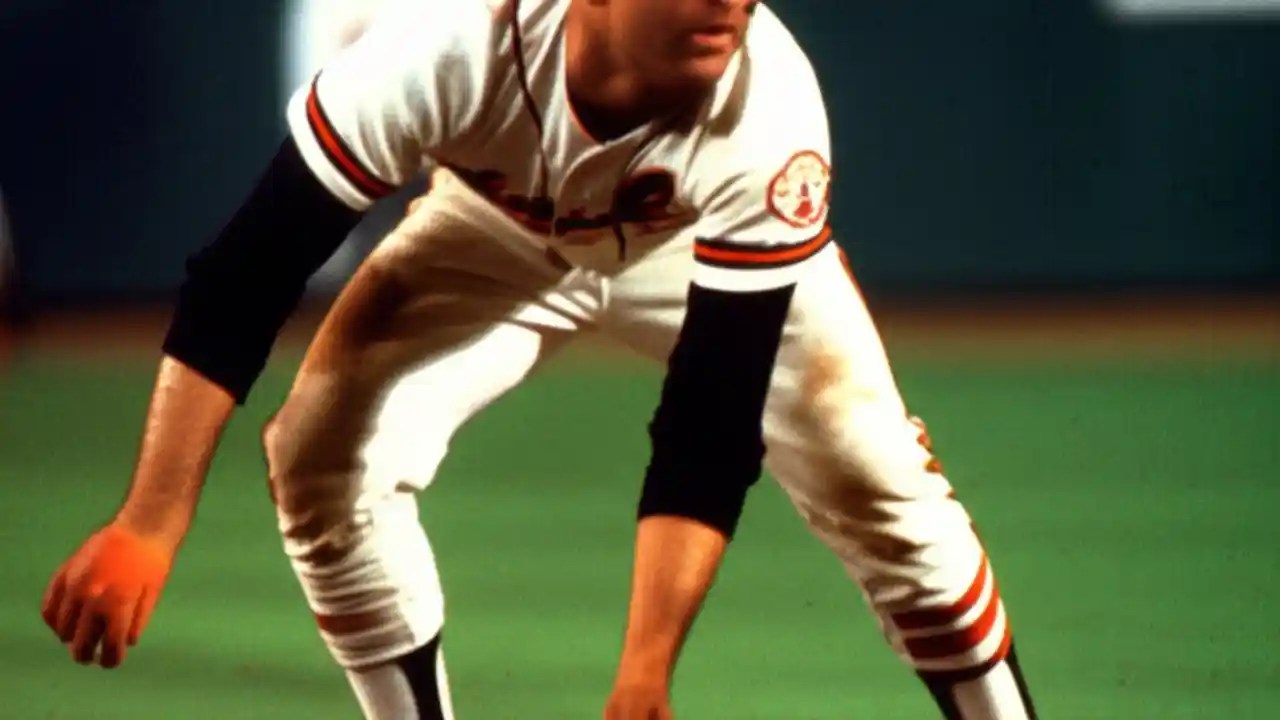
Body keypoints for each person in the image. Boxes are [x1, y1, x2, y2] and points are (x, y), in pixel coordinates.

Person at [40, 1, 1038, 718]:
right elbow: (243, 278)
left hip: (698, 241)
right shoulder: (443, 43)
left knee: (885, 490)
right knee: (318, 453)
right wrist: (151, 520)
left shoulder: (766, 107)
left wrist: (643, 678)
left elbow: (708, 423)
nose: (728, 3)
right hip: (494, 226)